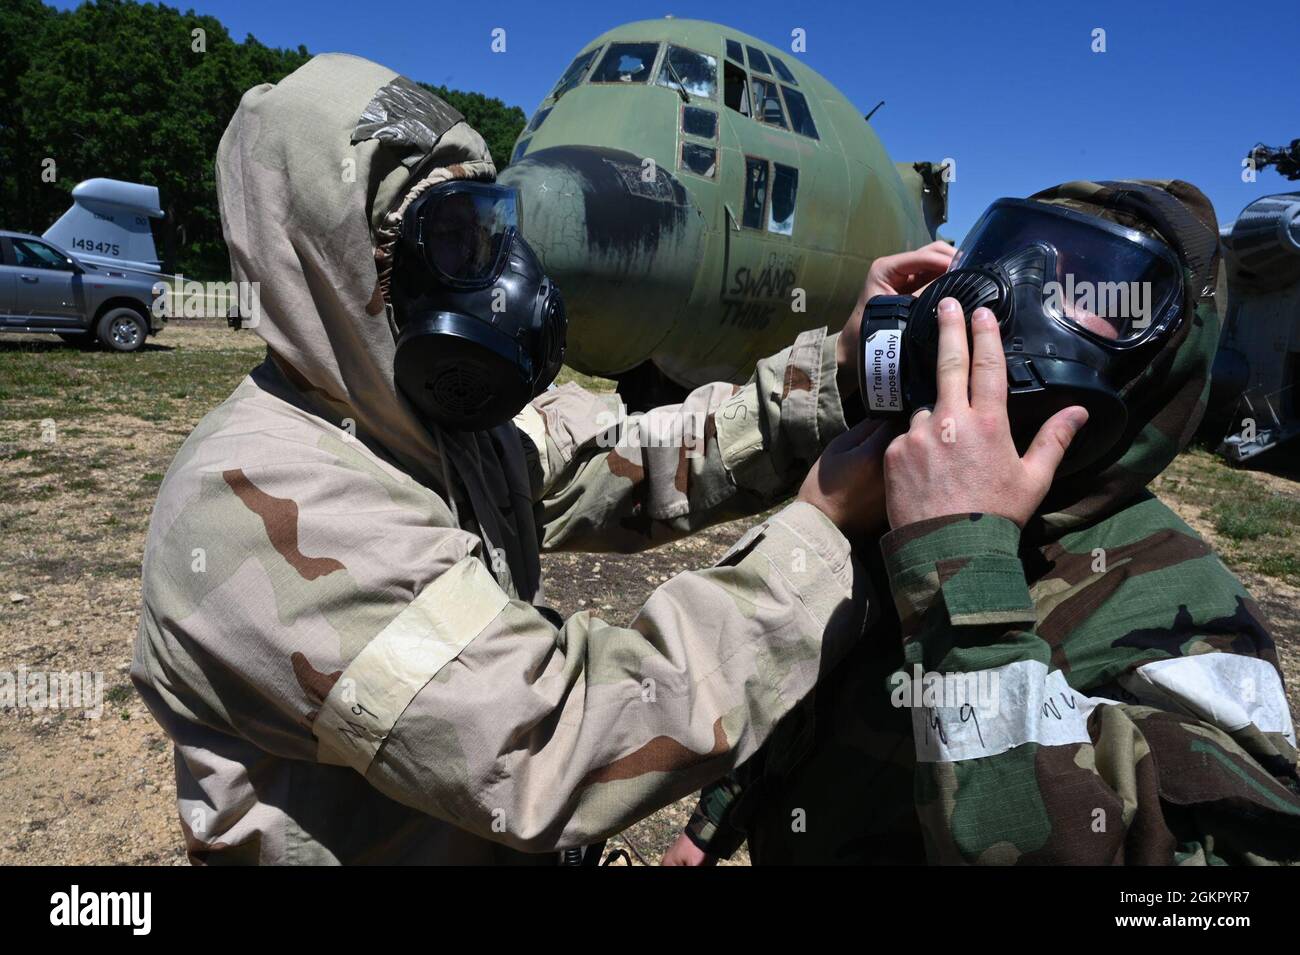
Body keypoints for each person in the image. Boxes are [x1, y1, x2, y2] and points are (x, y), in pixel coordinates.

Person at [129, 52, 952, 864]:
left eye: (489, 227)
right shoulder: (257, 499)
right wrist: (818, 535)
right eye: (452, 243)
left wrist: (836, 372)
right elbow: (552, 743)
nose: (500, 278)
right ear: (333, 264)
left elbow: (632, 453)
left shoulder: (427, 431)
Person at [665, 179, 1300, 865]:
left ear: (1159, 367)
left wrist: (965, 571)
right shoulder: (906, 490)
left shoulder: (1191, 612)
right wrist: (715, 821)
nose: (1007, 302)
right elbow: (818, 688)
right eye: (1011, 258)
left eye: (1092, 291)